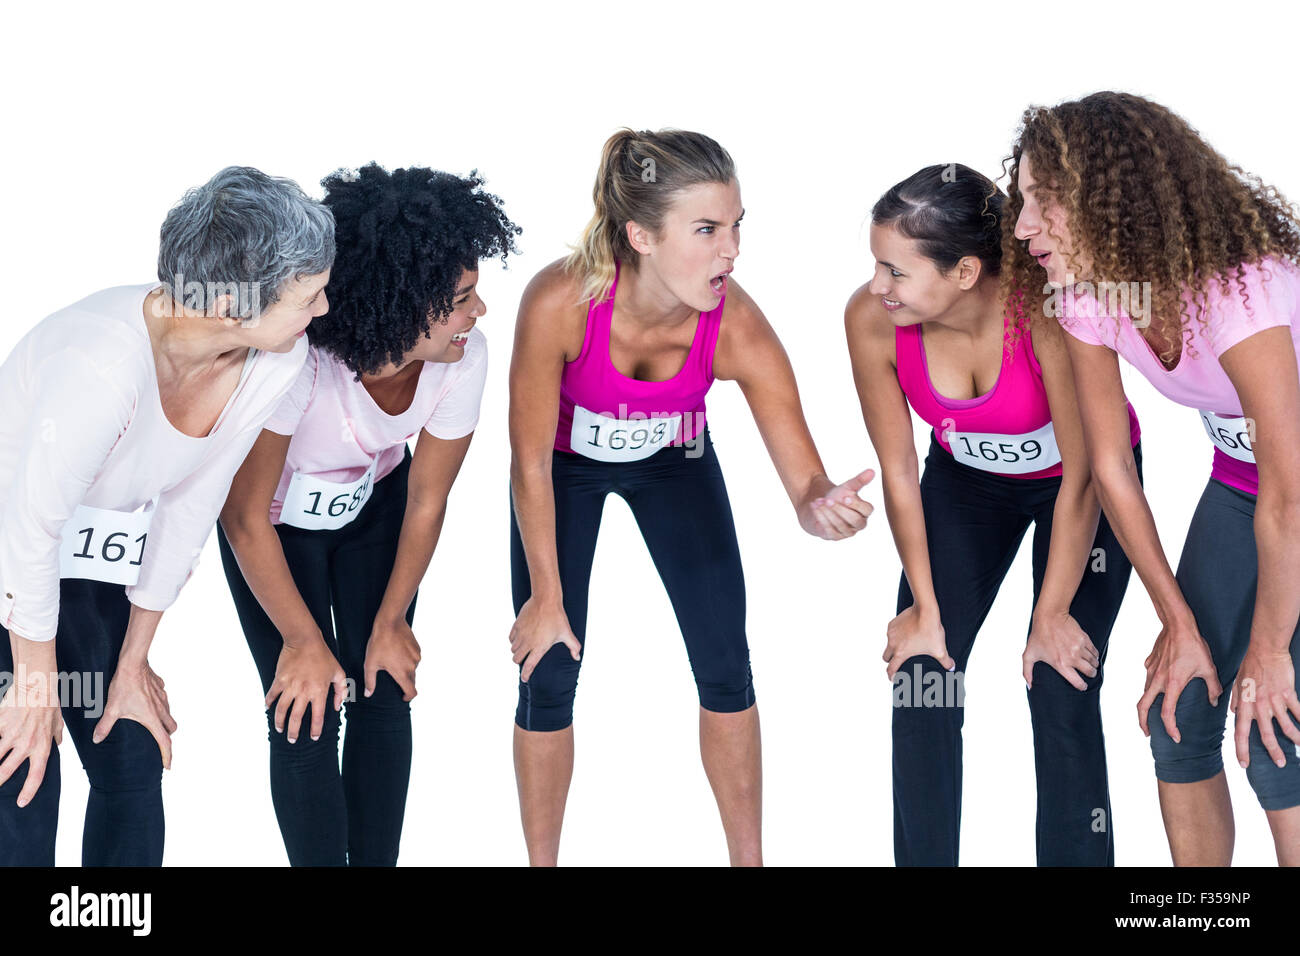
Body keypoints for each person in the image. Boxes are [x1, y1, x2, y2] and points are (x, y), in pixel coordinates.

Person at [508, 127, 875, 866]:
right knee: (548, 667)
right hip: (562, 470)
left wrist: (819, 504)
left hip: (677, 459)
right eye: (707, 230)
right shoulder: (561, 301)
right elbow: (526, 465)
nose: (732, 250)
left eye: (737, 226)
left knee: (725, 661)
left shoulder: (734, 323)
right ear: (640, 235)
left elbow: (803, 475)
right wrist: (546, 595)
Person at [0, 166, 334, 865]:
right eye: (308, 295)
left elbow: (191, 507)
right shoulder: (100, 365)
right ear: (228, 304)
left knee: (131, 753)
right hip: (13, 555)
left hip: (81, 563)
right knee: (24, 771)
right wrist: (33, 688)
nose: (324, 308)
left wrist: (132, 660)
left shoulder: (275, 358)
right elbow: (29, 530)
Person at [1008, 90, 1300, 865]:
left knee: (1278, 731)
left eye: (1043, 202)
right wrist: (1179, 622)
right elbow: (1108, 466)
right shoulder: (1086, 298)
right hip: (1244, 488)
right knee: (1182, 707)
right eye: (1020, 201)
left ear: (1111, 197)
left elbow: (1291, 494)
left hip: (1289, 500)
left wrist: (1267, 651)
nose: (1022, 226)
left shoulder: (1242, 289)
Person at [216, 163, 519, 866]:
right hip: (274, 527)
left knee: (384, 687)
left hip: (375, 509)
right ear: (401, 303)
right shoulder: (299, 361)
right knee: (307, 708)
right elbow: (242, 516)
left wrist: (389, 622)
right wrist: (301, 639)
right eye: (462, 297)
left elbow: (427, 499)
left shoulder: (461, 358)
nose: (479, 313)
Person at [845, 164, 1141, 866]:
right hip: (967, 487)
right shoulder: (871, 320)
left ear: (967, 272)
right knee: (923, 676)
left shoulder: (1047, 315)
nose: (877, 287)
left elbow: (1086, 474)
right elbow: (898, 471)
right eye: (874, 266)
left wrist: (1051, 614)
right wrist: (922, 605)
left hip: (1085, 487)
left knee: (1058, 681)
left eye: (895, 271)